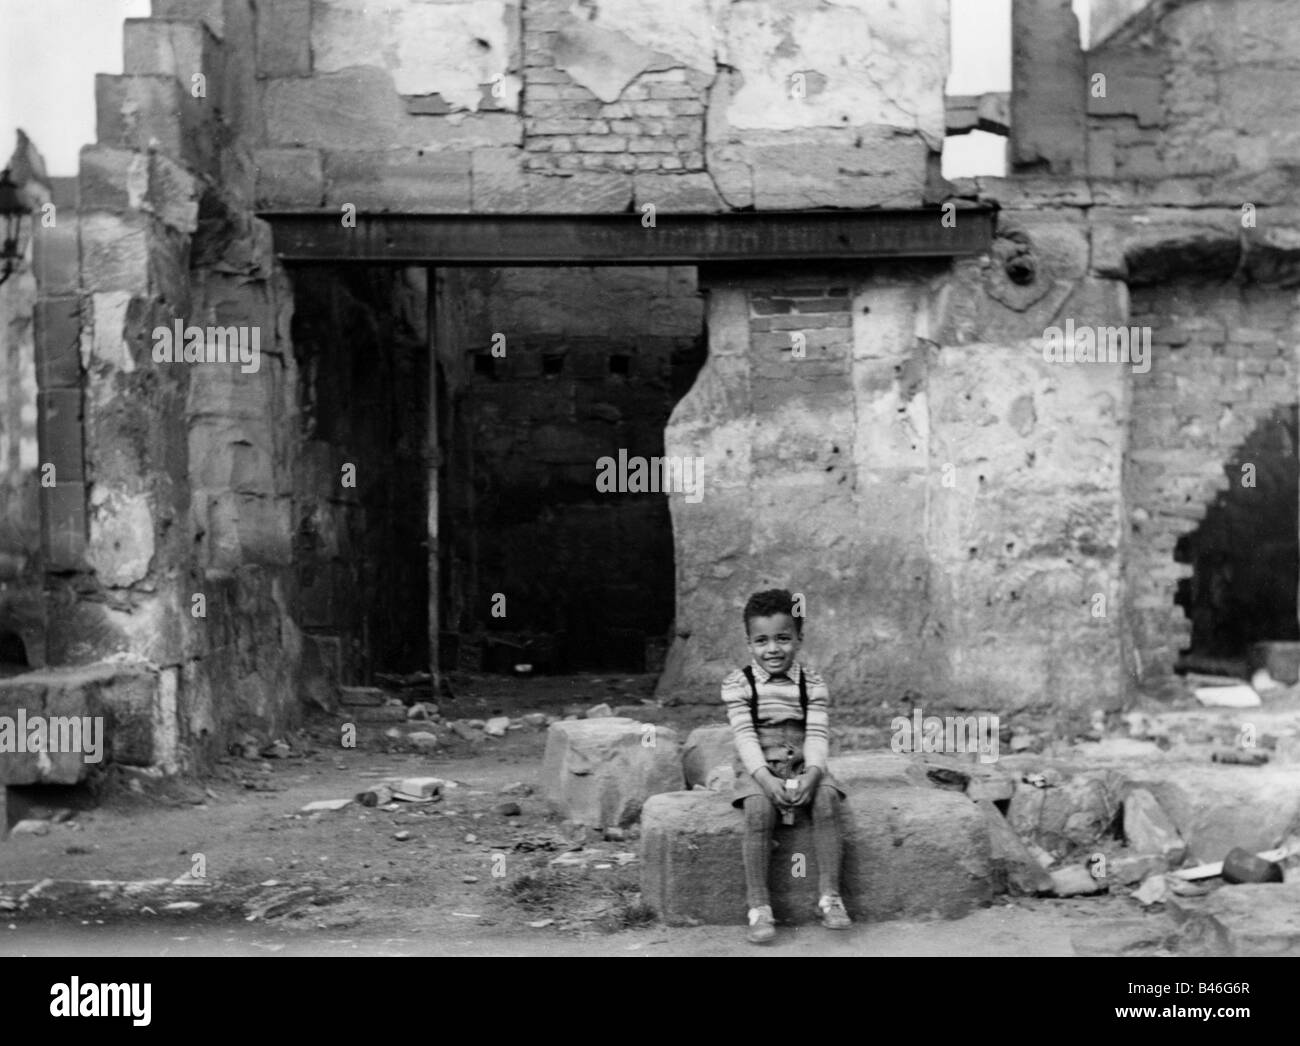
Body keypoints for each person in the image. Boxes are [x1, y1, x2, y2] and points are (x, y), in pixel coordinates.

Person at [723, 588, 851, 944]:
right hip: (759, 764)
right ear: (749, 644)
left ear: (799, 639)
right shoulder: (739, 683)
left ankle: (830, 897)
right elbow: (746, 736)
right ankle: (759, 907)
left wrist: (813, 772)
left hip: (802, 760)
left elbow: (817, 732)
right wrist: (764, 778)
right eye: (761, 641)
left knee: (827, 800)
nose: (773, 649)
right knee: (759, 811)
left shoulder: (812, 684)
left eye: (783, 638)